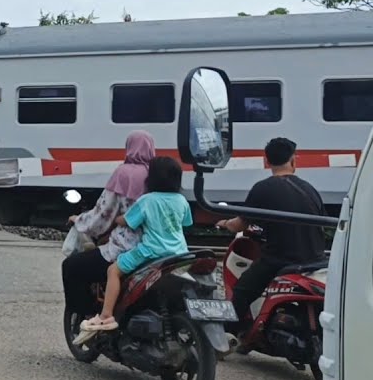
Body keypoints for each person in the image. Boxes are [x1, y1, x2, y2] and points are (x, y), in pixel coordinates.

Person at [216, 137, 327, 329]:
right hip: (316, 259)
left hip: (280, 260)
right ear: (293, 160)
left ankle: (230, 334)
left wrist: (224, 223)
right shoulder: (310, 189)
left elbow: (239, 225)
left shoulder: (262, 188)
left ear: (267, 161)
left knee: (241, 292)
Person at [81, 156, 192, 333]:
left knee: (113, 271)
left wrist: (117, 219)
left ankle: (105, 316)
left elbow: (128, 221)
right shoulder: (181, 200)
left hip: (151, 252)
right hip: (180, 253)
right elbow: (186, 223)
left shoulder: (147, 200)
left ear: (152, 178)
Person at [62, 131, 155, 320]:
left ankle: (88, 318)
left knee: (72, 267)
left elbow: (103, 213)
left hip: (125, 247)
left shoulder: (123, 173)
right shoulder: (155, 173)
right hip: (157, 247)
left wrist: (79, 220)